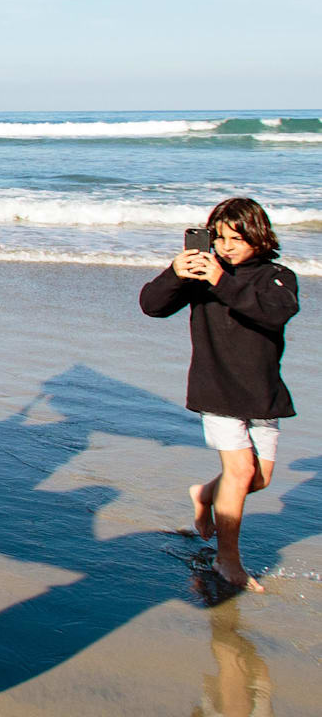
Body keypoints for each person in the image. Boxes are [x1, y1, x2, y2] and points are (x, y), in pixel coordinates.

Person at [139, 198, 299, 593]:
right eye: (220, 238)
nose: (226, 247)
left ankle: (205, 492)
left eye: (236, 238)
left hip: (262, 391)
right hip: (216, 388)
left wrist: (220, 281)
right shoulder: (203, 274)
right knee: (241, 471)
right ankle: (227, 560)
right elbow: (151, 306)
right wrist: (175, 273)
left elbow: (274, 313)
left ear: (259, 238)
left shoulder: (278, 276)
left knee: (258, 479)